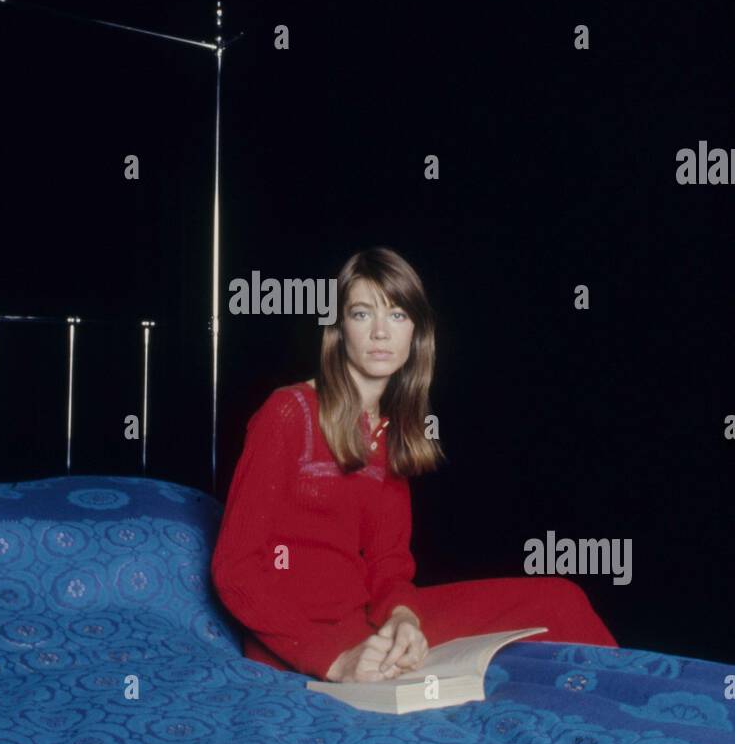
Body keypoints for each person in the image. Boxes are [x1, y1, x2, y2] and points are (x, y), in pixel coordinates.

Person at [211, 246, 618, 682]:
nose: (381, 333)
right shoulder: (288, 412)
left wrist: (404, 618)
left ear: (416, 334)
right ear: (339, 327)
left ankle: (638, 717)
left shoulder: (389, 434)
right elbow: (234, 568)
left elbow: (388, 565)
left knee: (559, 599)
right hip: (299, 641)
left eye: (398, 315)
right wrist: (334, 660)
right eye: (363, 314)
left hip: (366, 625)